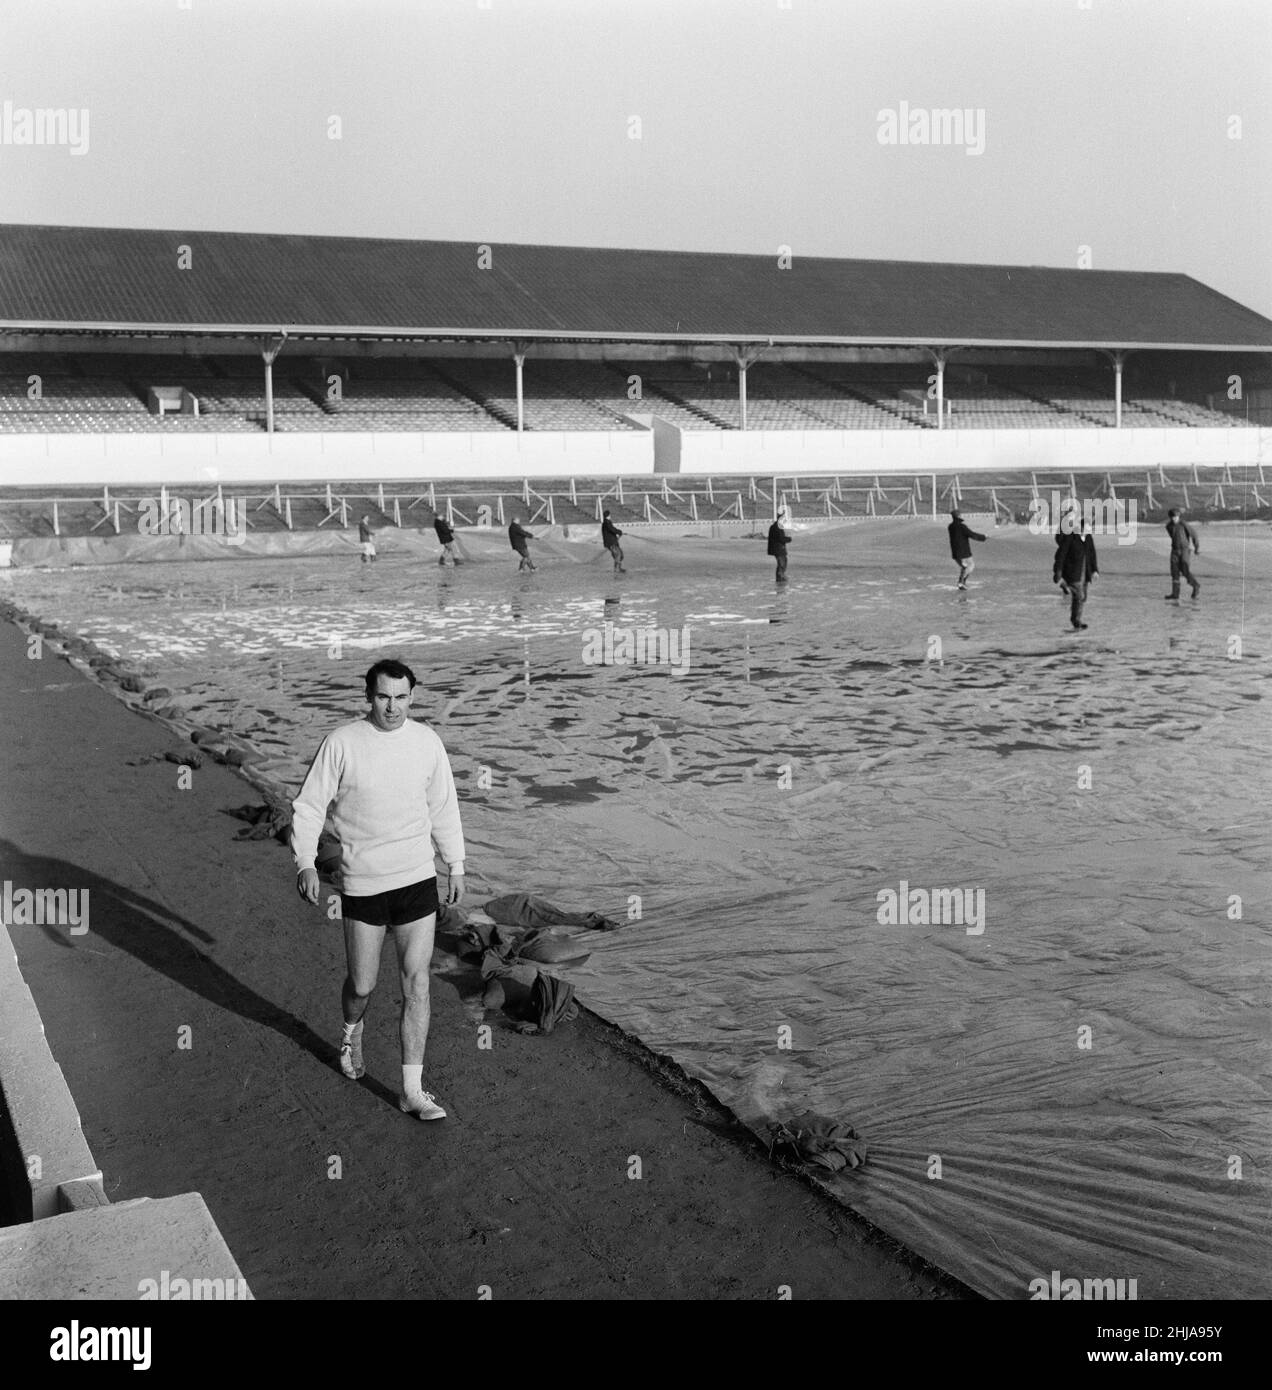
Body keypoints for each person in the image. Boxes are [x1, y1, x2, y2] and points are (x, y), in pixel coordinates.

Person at [291, 659, 466, 1121]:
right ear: (369, 696)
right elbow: (310, 806)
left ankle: (412, 1090)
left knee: (417, 983)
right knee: (363, 984)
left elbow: (443, 806)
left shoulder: (427, 742)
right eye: (384, 696)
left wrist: (456, 863)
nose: (393, 706)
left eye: (402, 697)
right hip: (363, 883)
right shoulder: (342, 742)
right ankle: (351, 1030)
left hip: (416, 878)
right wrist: (306, 862)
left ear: (413, 696)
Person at [1053, 507, 1099, 630]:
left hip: (1085, 572)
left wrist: (1095, 570)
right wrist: (1058, 572)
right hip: (1073, 571)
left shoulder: (1088, 538)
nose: (1090, 530)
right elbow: (1061, 554)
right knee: (1079, 596)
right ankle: (1076, 621)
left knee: (1083, 597)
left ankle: (1076, 617)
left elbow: (1092, 554)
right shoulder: (1071, 536)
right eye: (1089, 527)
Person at [1164, 507, 1201, 599]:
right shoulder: (1168, 526)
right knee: (1174, 571)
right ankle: (1175, 594)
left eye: (1176, 517)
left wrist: (1196, 548)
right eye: (1172, 517)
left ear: (1179, 516)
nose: (1174, 519)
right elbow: (1173, 537)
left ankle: (1195, 585)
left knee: (1185, 570)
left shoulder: (1183, 524)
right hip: (1175, 551)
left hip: (1184, 550)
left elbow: (1194, 535)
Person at [947, 509, 985, 589]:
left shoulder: (950, 527)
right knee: (971, 565)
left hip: (955, 552)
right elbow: (972, 535)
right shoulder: (962, 526)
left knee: (964, 567)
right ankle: (961, 582)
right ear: (959, 516)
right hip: (964, 551)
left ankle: (962, 583)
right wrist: (984, 537)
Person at [767, 511, 791, 582]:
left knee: (782, 563)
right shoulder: (778, 527)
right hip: (778, 549)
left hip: (777, 549)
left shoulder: (775, 526)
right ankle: (780, 578)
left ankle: (781, 577)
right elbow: (780, 538)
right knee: (782, 563)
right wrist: (789, 539)